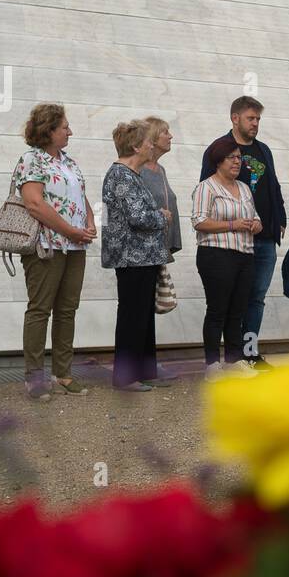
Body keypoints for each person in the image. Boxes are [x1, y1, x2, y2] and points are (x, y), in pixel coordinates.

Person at [12, 104, 96, 401]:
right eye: (65, 127)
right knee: (39, 309)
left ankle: (63, 374)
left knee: (67, 310)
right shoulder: (31, 160)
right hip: (46, 246)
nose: (69, 131)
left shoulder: (69, 162)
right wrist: (70, 230)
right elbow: (34, 203)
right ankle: (34, 379)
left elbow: (80, 196)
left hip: (75, 246)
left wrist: (89, 222)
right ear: (49, 130)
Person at [200, 96, 286, 369]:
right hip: (230, 242)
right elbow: (207, 189)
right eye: (251, 118)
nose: (255, 124)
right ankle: (228, 360)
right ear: (235, 118)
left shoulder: (264, 150)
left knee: (255, 299)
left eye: (258, 119)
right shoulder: (219, 150)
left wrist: (279, 217)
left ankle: (249, 353)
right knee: (228, 303)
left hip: (263, 239)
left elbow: (273, 186)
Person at [102, 120, 171, 392]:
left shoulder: (133, 175)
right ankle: (126, 376)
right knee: (132, 315)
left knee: (143, 315)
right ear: (135, 146)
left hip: (144, 257)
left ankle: (144, 370)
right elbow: (138, 216)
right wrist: (162, 217)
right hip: (132, 257)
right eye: (147, 142)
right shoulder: (121, 175)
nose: (151, 146)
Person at [191, 137, 260, 374]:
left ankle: (234, 360)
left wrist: (255, 225)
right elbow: (199, 221)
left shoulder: (243, 188)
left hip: (245, 254)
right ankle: (212, 365)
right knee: (217, 310)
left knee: (237, 311)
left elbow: (255, 216)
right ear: (218, 160)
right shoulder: (206, 187)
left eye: (239, 158)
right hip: (216, 255)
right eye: (232, 158)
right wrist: (233, 224)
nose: (237, 162)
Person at [140, 116, 182, 258]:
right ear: (153, 137)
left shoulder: (161, 169)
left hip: (161, 247)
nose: (170, 136)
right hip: (143, 250)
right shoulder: (137, 170)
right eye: (165, 132)